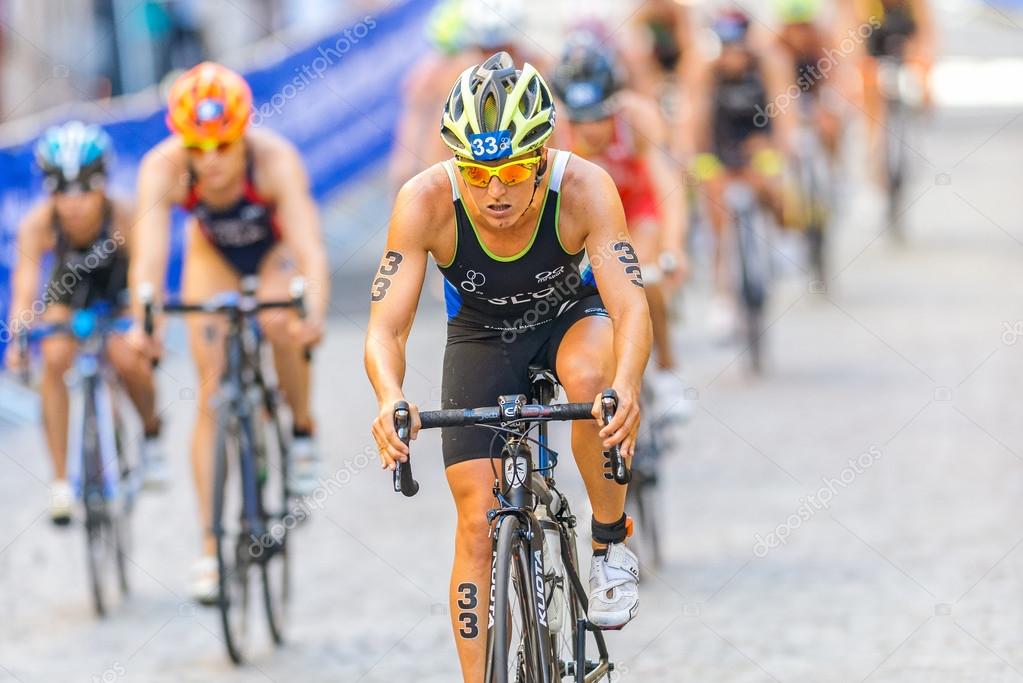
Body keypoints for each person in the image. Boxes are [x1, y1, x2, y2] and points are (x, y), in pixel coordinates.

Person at [366, 52, 651, 681]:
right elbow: (387, 326)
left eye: (515, 170)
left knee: (589, 384)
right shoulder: (425, 202)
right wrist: (389, 396)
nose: (495, 191)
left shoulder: (583, 189)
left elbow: (631, 307)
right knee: (475, 520)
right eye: (478, 172)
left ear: (543, 158)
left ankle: (608, 543)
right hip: (482, 333)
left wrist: (626, 387)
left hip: (569, 314)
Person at [128, 62, 330, 602]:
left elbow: (309, 246)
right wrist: (143, 320)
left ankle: (303, 428)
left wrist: (313, 312)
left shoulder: (275, 160)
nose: (211, 161)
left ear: (242, 135)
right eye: (198, 147)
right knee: (213, 392)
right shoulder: (162, 167)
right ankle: (212, 547)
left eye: (223, 145)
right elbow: (147, 258)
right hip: (212, 253)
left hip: (273, 251)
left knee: (280, 321)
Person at [5, 122, 165, 524]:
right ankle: (61, 480)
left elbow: (143, 276)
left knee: (128, 357)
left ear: (103, 184)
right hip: (68, 294)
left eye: (85, 188)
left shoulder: (124, 215)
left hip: (117, 292)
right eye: (61, 189)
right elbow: (25, 293)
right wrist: (18, 340)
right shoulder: (38, 224)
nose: (73, 202)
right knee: (54, 357)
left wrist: (143, 324)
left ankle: (151, 432)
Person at [551, 32, 690, 420]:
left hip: (636, 210)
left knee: (645, 278)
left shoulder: (638, 117)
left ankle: (666, 369)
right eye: (580, 121)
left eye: (600, 117)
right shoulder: (551, 129)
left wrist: (674, 246)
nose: (591, 130)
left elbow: (668, 188)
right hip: (584, 220)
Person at [691, 9, 793, 337]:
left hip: (758, 141)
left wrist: (779, 152)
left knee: (772, 182)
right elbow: (692, 120)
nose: (733, 55)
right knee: (716, 207)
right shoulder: (705, 70)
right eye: (727, 47)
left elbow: (785, 113)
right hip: (721, 144)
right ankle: (723, 295)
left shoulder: (768, 63)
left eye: (739, 46)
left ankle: (782, 236)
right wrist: (699, 162)